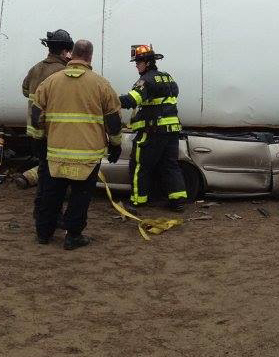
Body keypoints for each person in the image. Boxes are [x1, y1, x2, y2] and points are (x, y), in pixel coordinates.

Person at [30, 40, 123, 250]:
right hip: (87, 156)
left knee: (51, 194)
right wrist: (116, 145)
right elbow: (114, 120)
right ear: (90, 57)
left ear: (71, 55)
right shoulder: (101, 85)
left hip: (56, 152)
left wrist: (38, 140)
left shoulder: (51, 82)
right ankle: (72, 236)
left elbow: (36, 113)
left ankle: (43, 234)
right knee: (80, 197)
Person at [119, 44, 187, 212]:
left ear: (147, 63)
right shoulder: (168, 78)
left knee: (140, 165)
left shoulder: (146, 80)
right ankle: (177, 201)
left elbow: (131, 100)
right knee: (170, 165)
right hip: (172, 132)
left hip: (153, 132)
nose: (136, 65)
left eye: (138, 62)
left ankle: (137, 200)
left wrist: (110, 100)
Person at [20, 29, 73, 186]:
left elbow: (24, 91)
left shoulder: (35, 68)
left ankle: (42, 195)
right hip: (53, 131)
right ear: (64, 52)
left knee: (43, 164)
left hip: (35, 130)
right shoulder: (64, 72)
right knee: (55, 169)